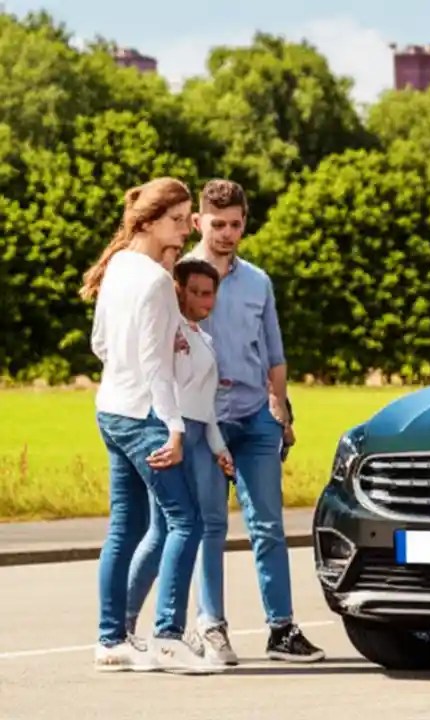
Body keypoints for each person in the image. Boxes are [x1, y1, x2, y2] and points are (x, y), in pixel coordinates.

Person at [185, 178, 324, 662]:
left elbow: (275, 354)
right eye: (217, 224)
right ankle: (212, 627)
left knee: (268, 526)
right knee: (209, 526)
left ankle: (281, 629)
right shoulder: (180, 277)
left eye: (236, 224)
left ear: (245, 222)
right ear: (199, 222)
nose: (227, 233)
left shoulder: (257, 281)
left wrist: (281, 409)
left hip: (255, 418)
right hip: (204, 422)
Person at [81, 177, 211, 673]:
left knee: (126, 527)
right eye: (178, 221)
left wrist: (127, 369)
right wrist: (175, 429)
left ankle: (111, 640)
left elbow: (101, 343)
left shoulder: (117, 266)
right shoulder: (156, 280)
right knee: (186, 520)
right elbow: (157, 366)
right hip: (142, 415)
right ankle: (167, 637)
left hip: (110, 408)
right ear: (150, 221)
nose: (186, 229)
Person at [124, 258, 239, 666]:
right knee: (168, 529)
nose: (205, 300)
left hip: (197, 435)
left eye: (210, 293)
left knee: (169, 529)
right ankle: (130, 626)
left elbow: (206, 407)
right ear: (179, 290)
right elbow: (159, 380)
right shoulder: (169, 330)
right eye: (196, 292)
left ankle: (132, 626)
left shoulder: (202, 338)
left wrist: (220, 449)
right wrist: (171, 431)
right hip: (169, 431)